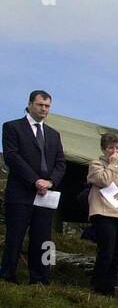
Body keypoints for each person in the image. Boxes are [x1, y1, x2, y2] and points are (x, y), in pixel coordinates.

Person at [1, 90, 66, 285]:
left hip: (45, 195)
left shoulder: (54, 135)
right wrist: (34, 180)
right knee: (15, 236)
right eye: (40, 105)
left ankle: (39, 279)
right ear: (30, 104)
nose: (44, 109)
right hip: (20, 192)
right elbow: (12, 157)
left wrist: (50, 182)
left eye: (47, 106)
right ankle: (7, 276)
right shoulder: (12, 127)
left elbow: (61, 163)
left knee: (42, 238)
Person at [85, 133, 118, 296]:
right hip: (104, 213)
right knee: (106, 250)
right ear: (103, 149)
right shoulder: (96, 164)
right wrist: (113, 165)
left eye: (117, 148)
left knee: (117, 253)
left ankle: (110, 286)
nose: (114, 151)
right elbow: (103, 181)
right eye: (110, 148)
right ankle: (98, 285)